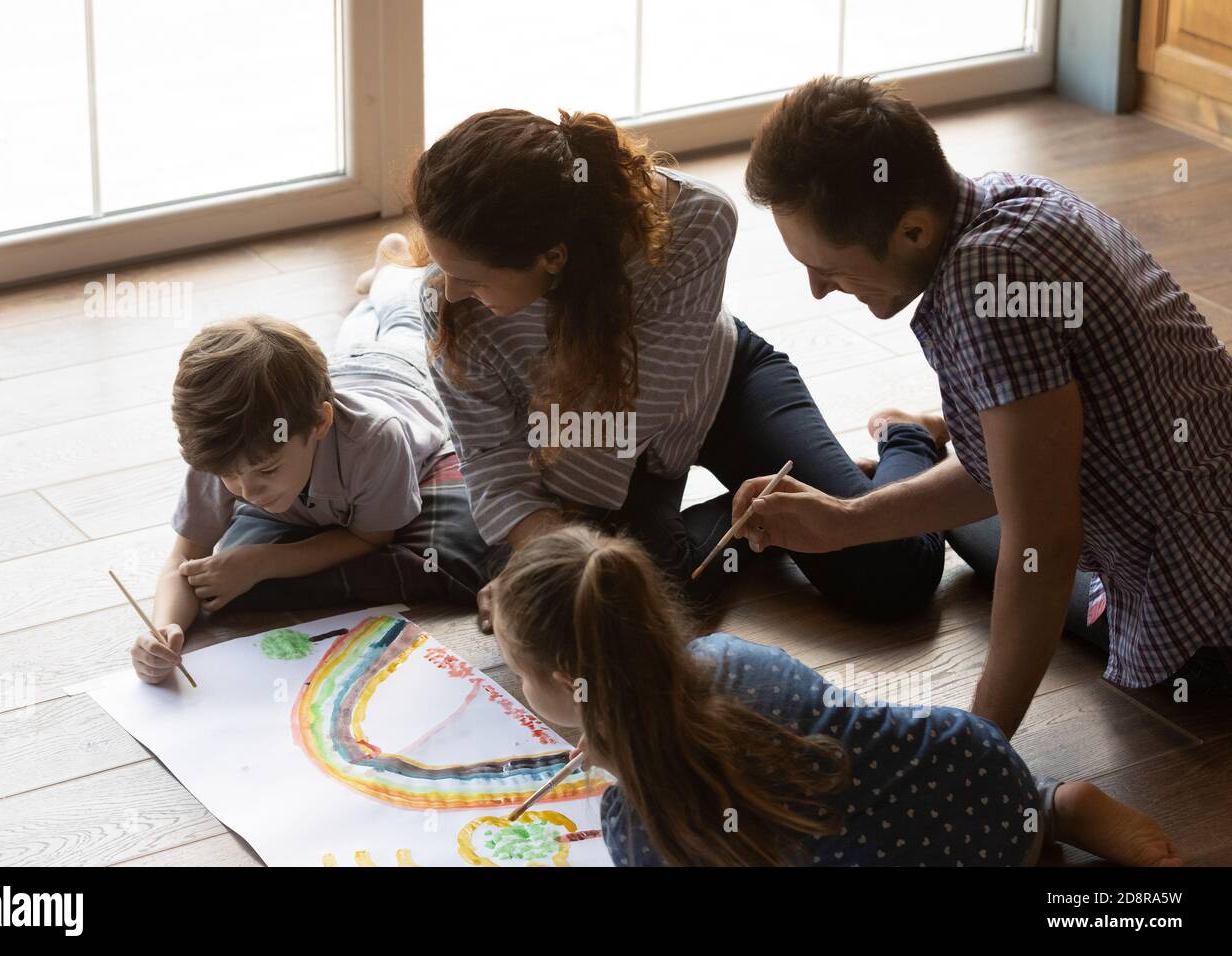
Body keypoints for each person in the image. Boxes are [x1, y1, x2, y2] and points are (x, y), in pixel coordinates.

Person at [736, 75, 1232, 737]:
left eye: (830, 267)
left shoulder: (985, 289)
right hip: (1203, 506)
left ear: (912, 229)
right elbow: (1002, 481)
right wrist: (841, 522)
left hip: (1202, 601)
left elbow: (1047, 545)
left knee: (1003, 545)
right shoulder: (1011, 197)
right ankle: (945, 431)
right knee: (983, 518)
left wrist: (978, 743)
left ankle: (930, 435)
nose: (819, 290)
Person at [408, 107, 947, 635]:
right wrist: (541, 545)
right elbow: (487, 453)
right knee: (613, 608)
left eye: (471, 278)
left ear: (552, 257)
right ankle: (767, 516)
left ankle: (907, 436)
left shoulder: (695, 221)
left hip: (713, 386)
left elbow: (627, 420)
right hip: (578, 443)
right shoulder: (447, 300)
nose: (450, 290)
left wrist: (561, 557)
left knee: (892, 577)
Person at [492, 524, 1182, 867]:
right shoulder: (730, 657)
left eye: (519, 674)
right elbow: (727, 727)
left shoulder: (637, 822)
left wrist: (627, 759)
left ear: (563, 682)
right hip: (978, 779)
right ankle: (1057, 804)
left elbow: (699, 771)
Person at [131, 243, 489, 683]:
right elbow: (185, 559)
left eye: (265, 470)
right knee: (358, 329)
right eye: (230, 476)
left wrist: (262, 562)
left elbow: (370, 535)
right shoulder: (224, 453)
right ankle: (377, 283)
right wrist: (163, 629)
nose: (247, 492)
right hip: (343, 366)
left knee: (406, 310)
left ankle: (390, 261)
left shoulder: (377, 441)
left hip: (402, 374)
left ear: (319, 423)